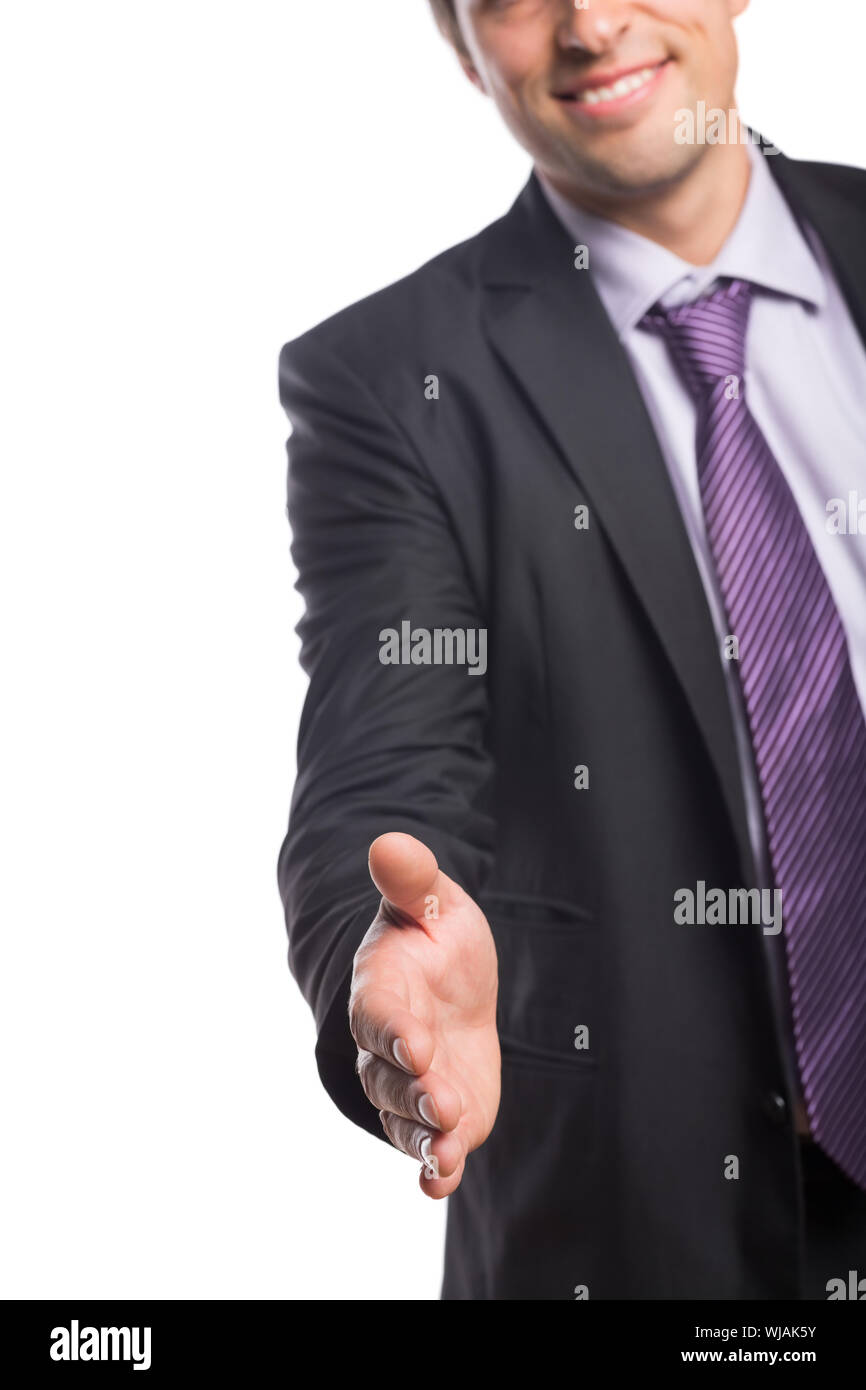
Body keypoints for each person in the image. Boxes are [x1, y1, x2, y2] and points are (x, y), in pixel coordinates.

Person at [277, 0, 866, 1299]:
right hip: (641, 1235)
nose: (592, 23)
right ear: (455, 38)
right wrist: (390, 958)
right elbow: (385, 757)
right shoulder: (389, 380)